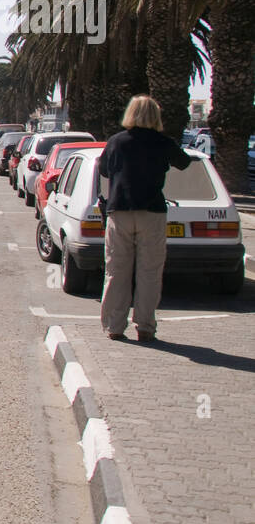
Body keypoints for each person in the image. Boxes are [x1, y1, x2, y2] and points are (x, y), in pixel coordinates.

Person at [98, 95, 192, 342]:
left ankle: (114, 326)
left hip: (119, 212)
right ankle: (145, 327)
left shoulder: (117, 142)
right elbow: (184, 163)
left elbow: (104, 170)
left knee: (117, 271)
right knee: (149, 272)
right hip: (152, 212)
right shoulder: (162, 142)